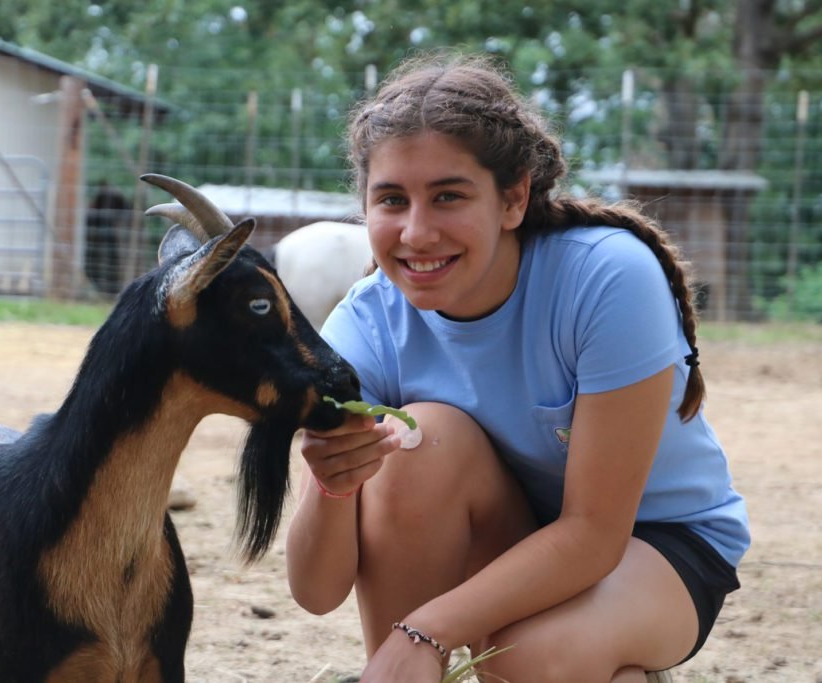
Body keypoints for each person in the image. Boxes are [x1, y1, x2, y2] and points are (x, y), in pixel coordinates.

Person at [285, 52, 749, 683]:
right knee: (415, 438)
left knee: (527, 655)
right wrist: (334, 486)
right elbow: (316, 592)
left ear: (513, 199)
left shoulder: (606, 277)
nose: (417, 233)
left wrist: (423, 631)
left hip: (654, 542)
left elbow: (592, 533)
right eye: (392, 199)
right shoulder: (366, 325)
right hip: (510, 530)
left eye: (448, 196)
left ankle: (586, 653)